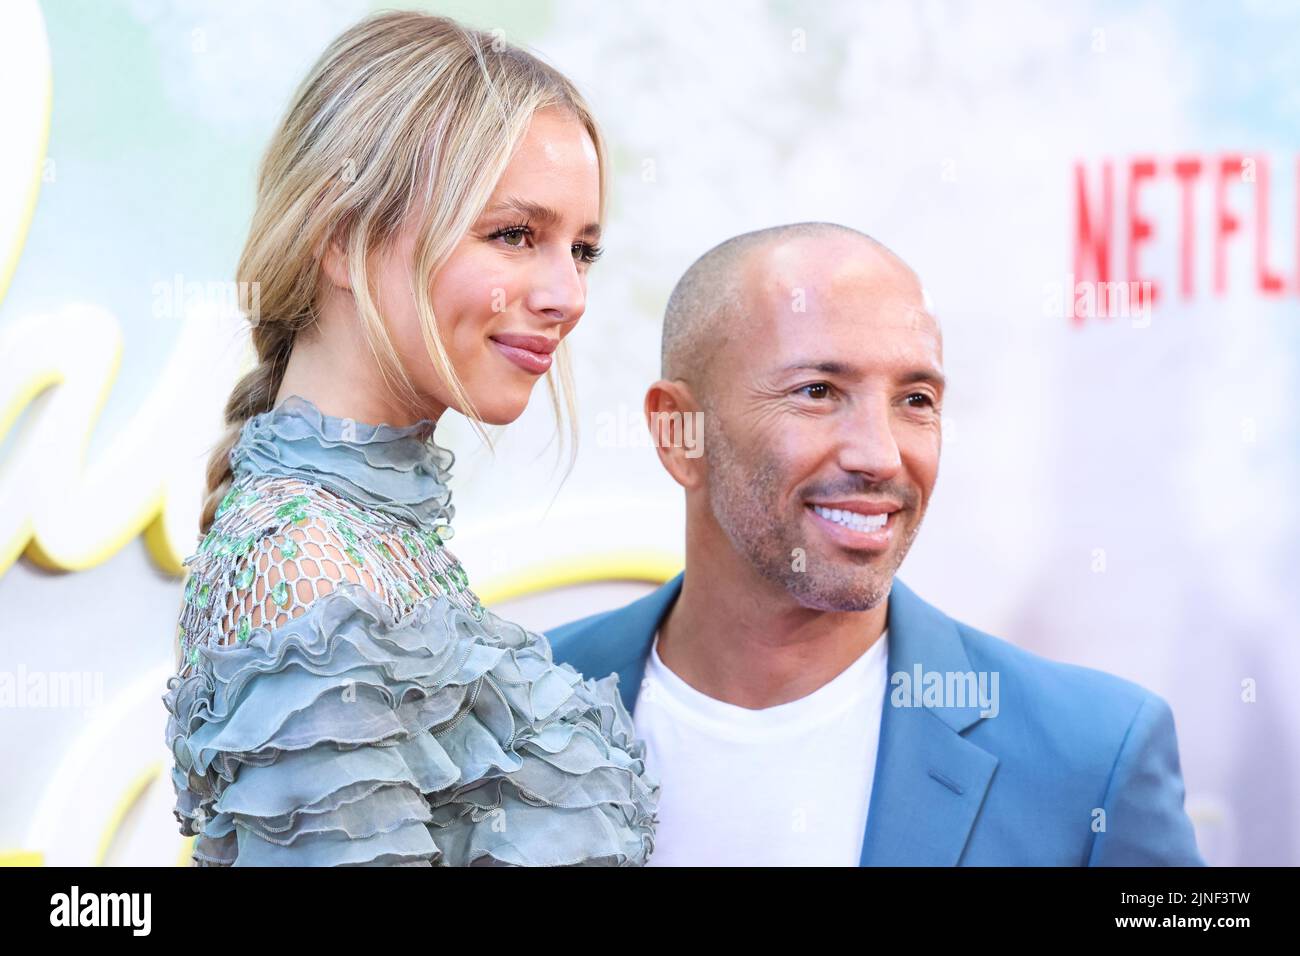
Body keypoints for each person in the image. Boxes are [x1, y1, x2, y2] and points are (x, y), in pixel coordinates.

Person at [162, 11, 658, 866]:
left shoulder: (377, 547)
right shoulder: (304, 569)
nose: (567, 295)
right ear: (344, 237)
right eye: (514, 235)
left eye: (582, 250)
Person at [547, 222, 1205, 866]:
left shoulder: (1091, 755)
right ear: (679, 431)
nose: (882, 456)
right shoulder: (509, 708)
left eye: (915, 400)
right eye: (818, 392)